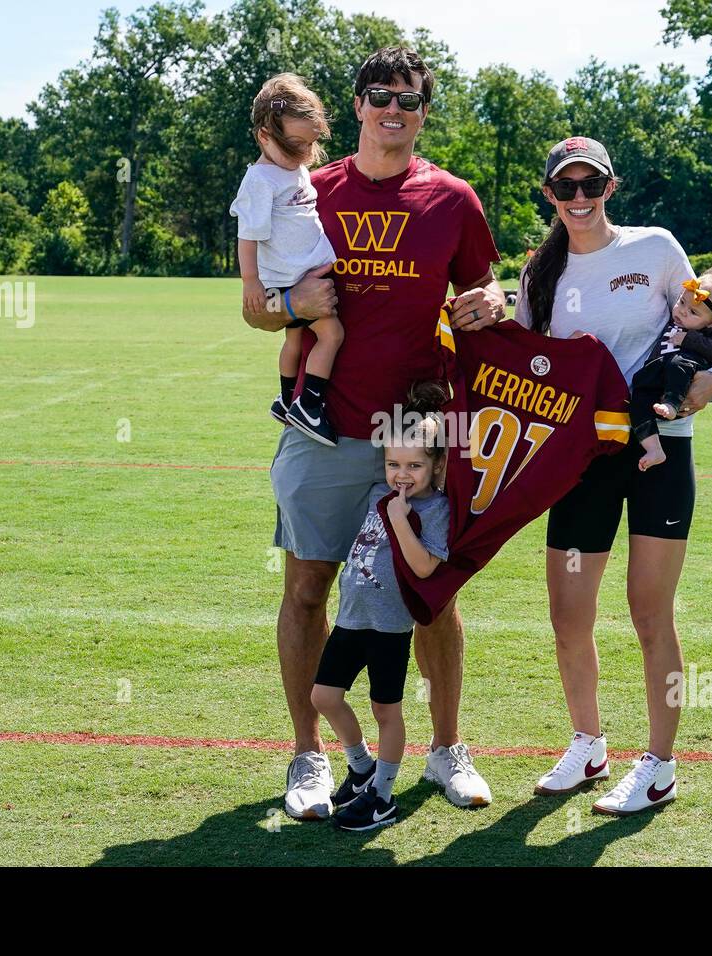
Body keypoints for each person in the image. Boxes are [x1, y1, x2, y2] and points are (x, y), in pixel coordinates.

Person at [241, 46, 505, 820]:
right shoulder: (304, 188)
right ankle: (308, 757)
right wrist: (294, 308)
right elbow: (256, 308)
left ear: (425, 112)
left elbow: (483, 288)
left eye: (411, 99)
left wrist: (490, 302)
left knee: (433, 594)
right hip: (322, 426)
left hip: (415, 431)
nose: (395, 109)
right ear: (356, 105)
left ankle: (446, 750)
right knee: (307, 589)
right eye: (380, 94)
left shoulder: (453, 199)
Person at [514, 137, 712, 815]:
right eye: (565, 187)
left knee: (649, 612)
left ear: (612, 186)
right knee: (569, 615)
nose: (579, 199)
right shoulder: (539, 275)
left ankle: (660, 765)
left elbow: (711, 324)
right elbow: (520, 363)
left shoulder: (656, 247)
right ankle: (588, 744)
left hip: (661, 452)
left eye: (592, 185)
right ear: (549, 194)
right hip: (582, 461)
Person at [310, 382, 450, 831]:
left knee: (386, 710)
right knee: (324, 696)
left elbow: (426, 566)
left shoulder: (434, 509)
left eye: (414, 465)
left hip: (389, 626)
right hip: (351, 616)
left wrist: (399, 520)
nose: (402, 475)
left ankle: (383, 797)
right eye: (393, 464)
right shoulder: (378, 493)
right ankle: (361, 767)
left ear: (437, 466)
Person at [230, 74, 340, 446]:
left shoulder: (294, 170)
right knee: (331, 334)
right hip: (291, 281)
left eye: (310, 144)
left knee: (295, 342)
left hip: (297, 275)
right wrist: (251, 283)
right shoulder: (261, 180)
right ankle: (309, 403)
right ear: (264, 135)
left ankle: (284, 398)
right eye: (296, 145)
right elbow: (248, 236)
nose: (306, 154)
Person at [629, 272, 712, 470]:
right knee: (638, 398)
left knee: (678, 364)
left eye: (694, 313)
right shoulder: (675, 317)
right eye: (681, 302)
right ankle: (654, 449)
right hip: (657, 370)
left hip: (684, 369)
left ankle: (671, 403)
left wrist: (688, 339)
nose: (683, 312)